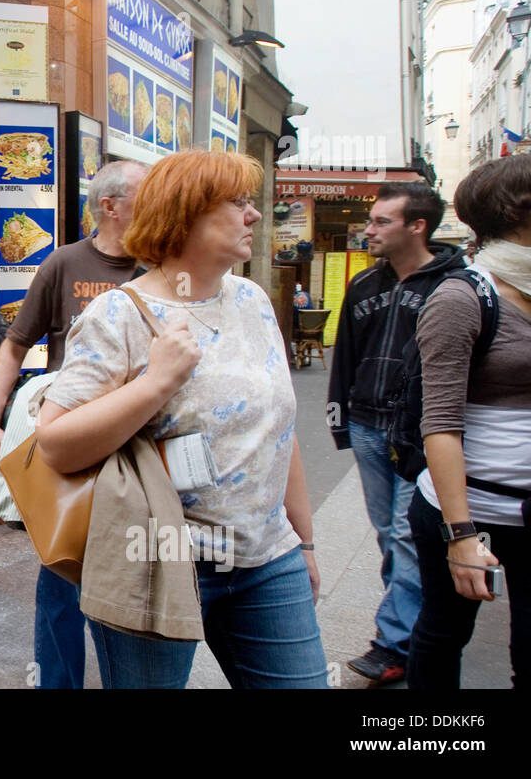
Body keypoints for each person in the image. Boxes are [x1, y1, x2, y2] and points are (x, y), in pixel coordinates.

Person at [36, 150, 326, 688]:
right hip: (160, 559)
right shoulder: (118, 314)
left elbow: (279, 434)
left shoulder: (255, 301)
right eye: (238, 203)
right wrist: (156, 383)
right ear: (184, 214)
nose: (254, 215)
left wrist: (303, 544)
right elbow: (55, 445)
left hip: (268, 560)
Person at [0, 159, 146, 688]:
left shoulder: (161, 265)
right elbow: (14, 345)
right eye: (147, 196)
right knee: (61, 570)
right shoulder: (64, 264)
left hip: (140, 446)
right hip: (69, 444)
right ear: (111, 206)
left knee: (131, 574)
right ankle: (58, 682)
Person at [409, 154, 531, 688]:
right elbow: (440, 424)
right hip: (469, 510)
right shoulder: (464, 297)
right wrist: (459, 536)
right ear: (522, 212)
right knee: (443, 634)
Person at [327, 181, 461, 684]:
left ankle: (393, 644)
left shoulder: (454, 285)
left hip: (418, 431)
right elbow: (346, 355)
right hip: (365, 423)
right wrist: (340, 418)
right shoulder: (365, 285)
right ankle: (411, 626)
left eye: (382, 221)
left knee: (407, 534)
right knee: (389, 533)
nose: (370, 230)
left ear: (417, 226)